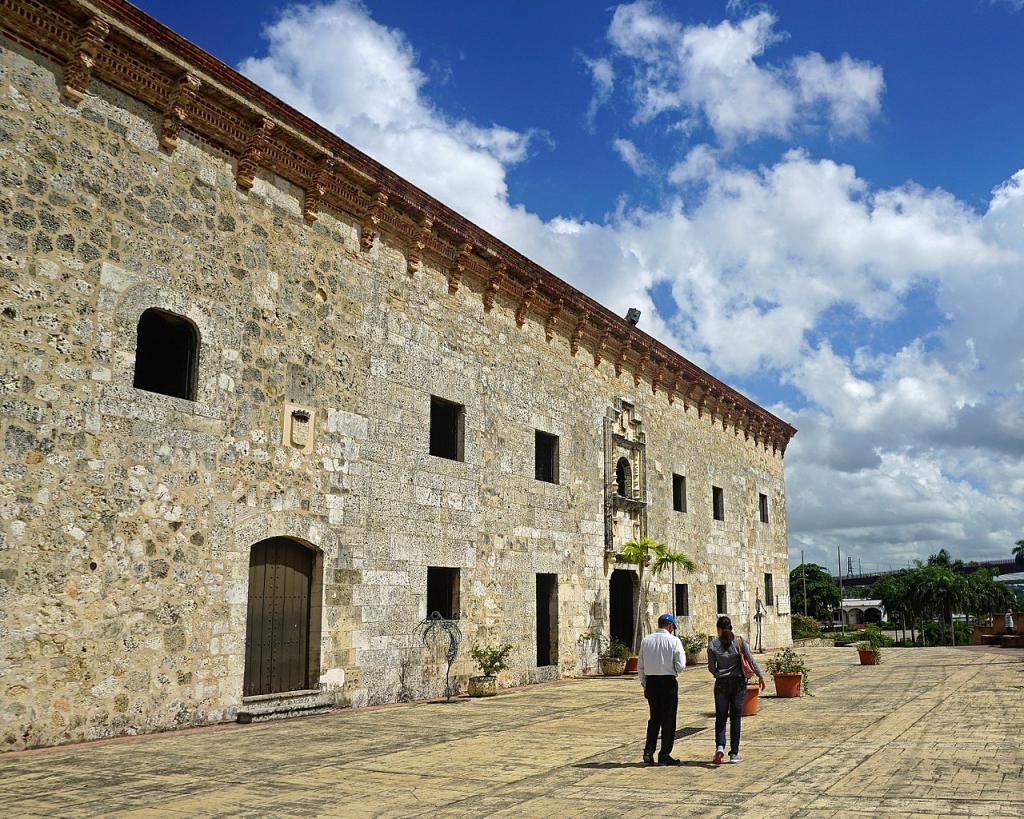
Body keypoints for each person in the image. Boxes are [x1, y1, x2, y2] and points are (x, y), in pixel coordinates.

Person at [707, 615, 765, 764]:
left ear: (718, 629)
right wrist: (760, 676)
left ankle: (720, 746)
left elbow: (711, 668)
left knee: (720, 717)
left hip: (721, 683)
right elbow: (750, 660)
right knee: (735, 718)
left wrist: (718, 673)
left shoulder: (713, 645)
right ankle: (734, 753)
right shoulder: (739, 641)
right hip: (738, 683)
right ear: (731, 627)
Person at [638, 613, 686, 765]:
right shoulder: (674, 641)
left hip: (651, 682)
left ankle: (648, 750)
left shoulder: (646, 640)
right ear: (670, 626)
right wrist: (674, 670)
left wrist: (645, 683)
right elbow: (681, 665)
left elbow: (641, 666)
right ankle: (664, 753)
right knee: (668, 719)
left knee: (654, 718)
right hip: (668, 682)